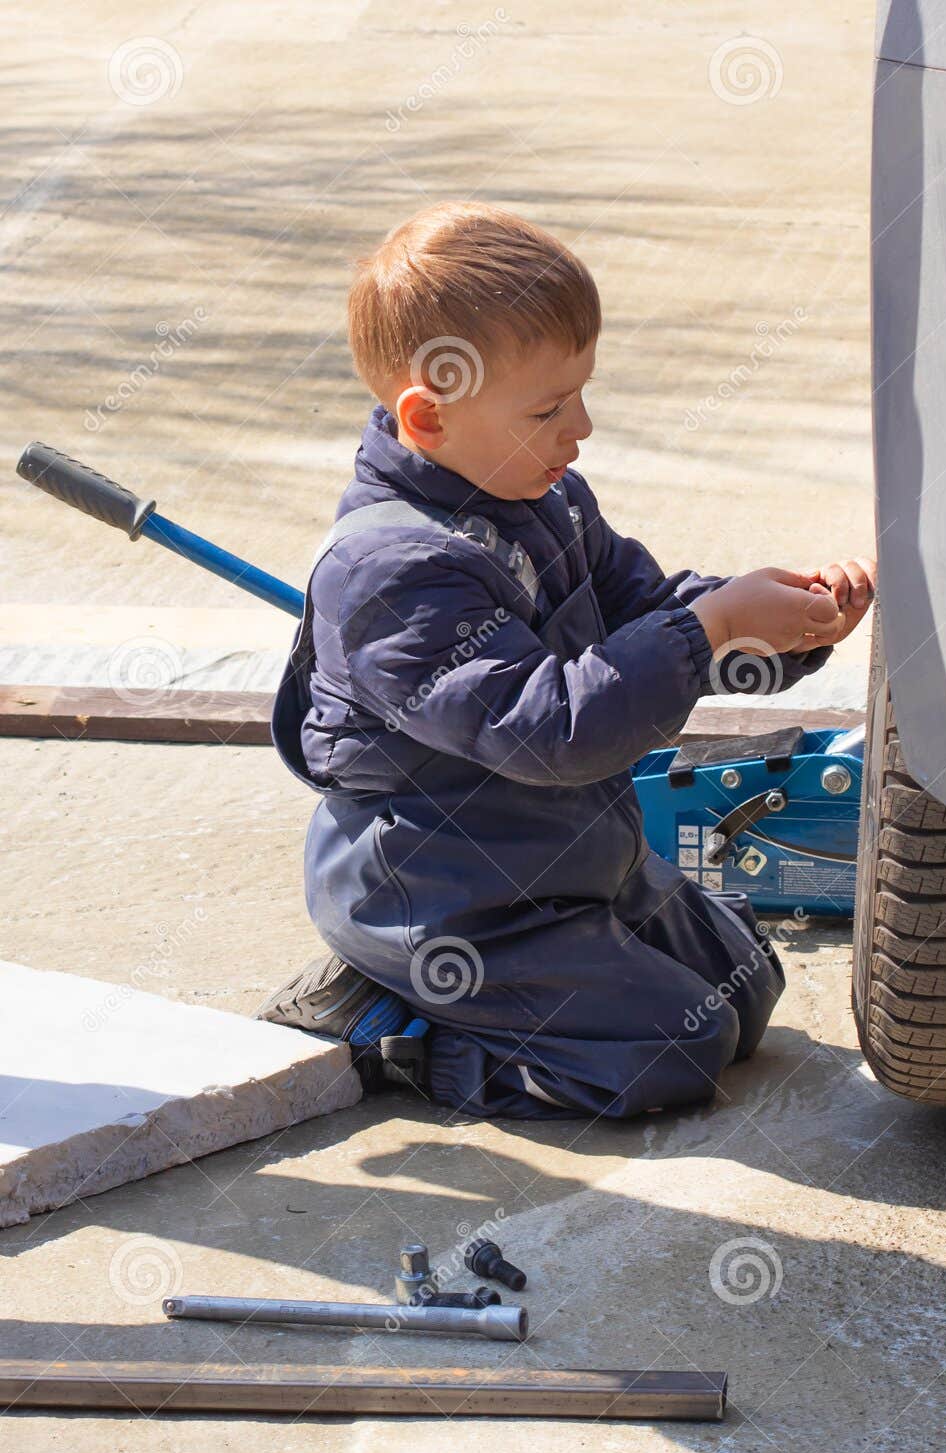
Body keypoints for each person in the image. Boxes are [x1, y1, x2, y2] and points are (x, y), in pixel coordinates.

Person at [268, 201, 875, 1121]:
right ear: (428, 419)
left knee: (745, 985)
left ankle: (529, 992)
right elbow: (552, 733)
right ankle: (395, 1032)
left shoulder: (543, 497)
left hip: (573, 860)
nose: (579, 426)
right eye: (549, 408)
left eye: (581, 393)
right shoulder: (391, 575)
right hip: (454, 904)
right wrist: (706, 630)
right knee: (670, 1052)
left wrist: (774, 631)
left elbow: (648, 612)